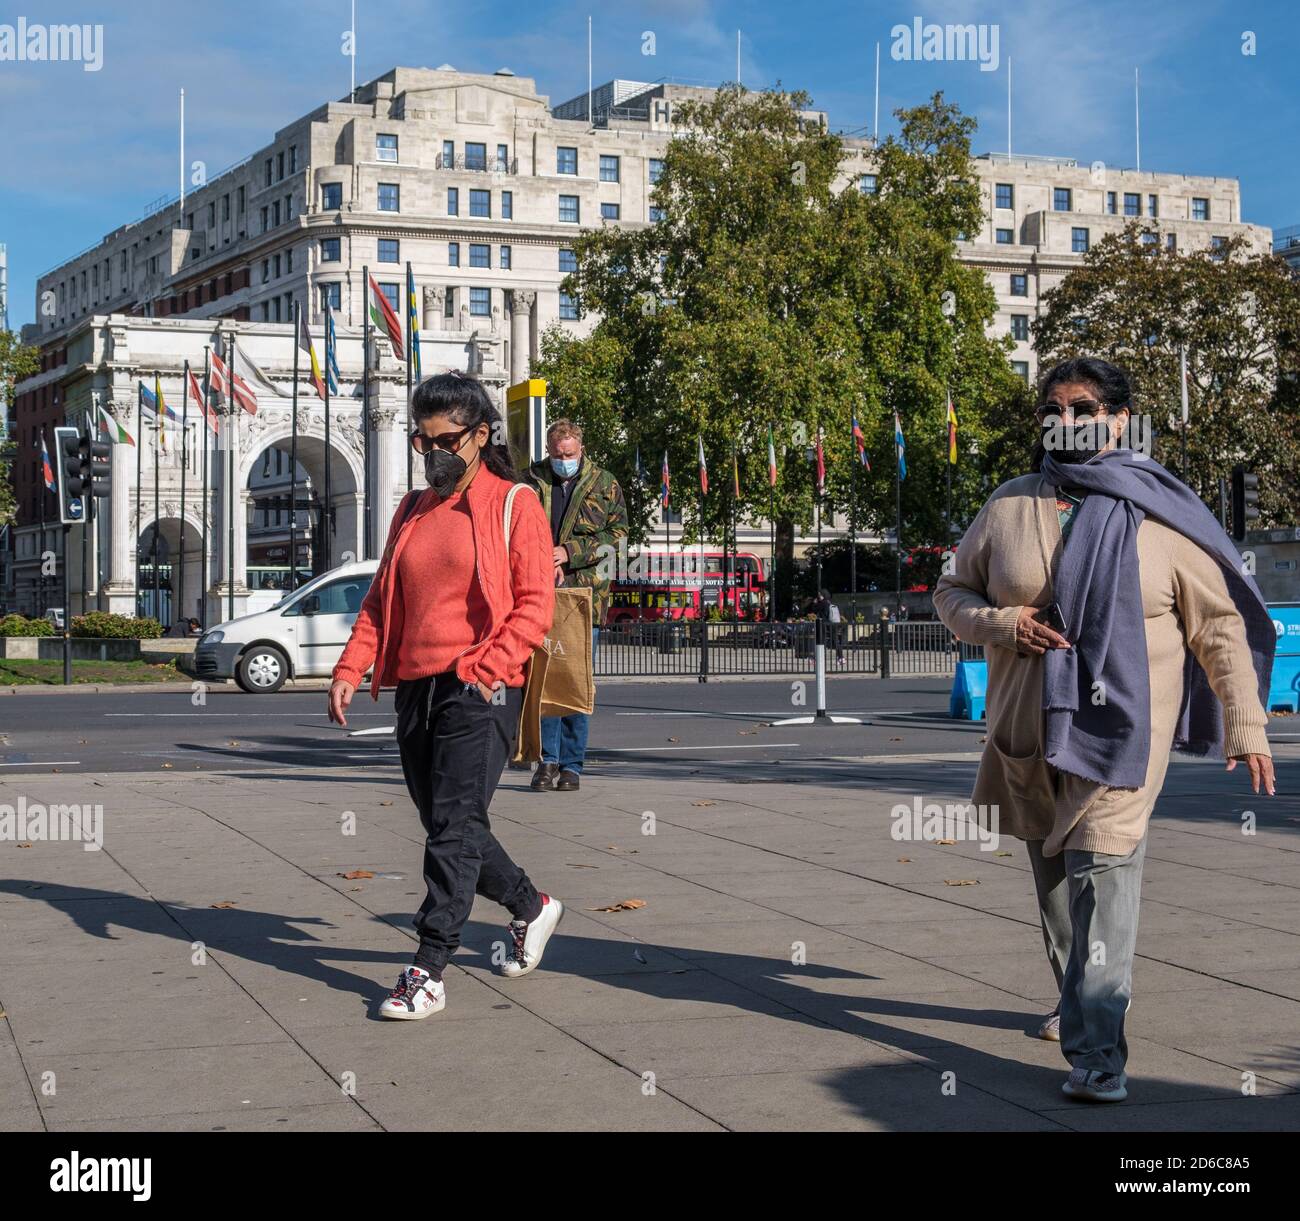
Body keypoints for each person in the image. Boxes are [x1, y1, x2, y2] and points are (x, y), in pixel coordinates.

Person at [934, 356, 1275, 1103]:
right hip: (1027, 732)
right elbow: (950, 590)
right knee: (1057, 893)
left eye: (1083, 405)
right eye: (1053, 408)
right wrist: (1003, 622)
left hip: (1121, 736)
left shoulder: (1159, 515)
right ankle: (1080, 997)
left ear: (1120, 417)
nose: (1068, 418)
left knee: (1103, 880)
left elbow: (1217, 626)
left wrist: (1246, 722)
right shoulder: (1008, 505)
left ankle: (1098, 1053)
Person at [328, 372, 563, 1021]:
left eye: (446, 440)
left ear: (480, 435)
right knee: (451, 825)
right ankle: (530, 905)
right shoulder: (411, 509)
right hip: (415, 688)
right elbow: (380, 600)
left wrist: (490, 663)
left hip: (482, 686)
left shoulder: (514, 502)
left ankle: (428, 968)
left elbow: (534, 604)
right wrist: (352, 667)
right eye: (421, 439)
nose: (433, 452)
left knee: (452, 829)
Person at [525, 419, 627, 793]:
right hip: (538, 595)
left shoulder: (605, 484)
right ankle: (545, 761)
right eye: (556, 454)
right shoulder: (531, 479)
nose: (562, 460)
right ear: (549, 451)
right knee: (544, 681)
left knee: (577, 684)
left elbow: (617, 540)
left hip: (584, 600)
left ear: (581, 449)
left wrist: (568, 553)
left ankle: (572, 766)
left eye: (568, 454)